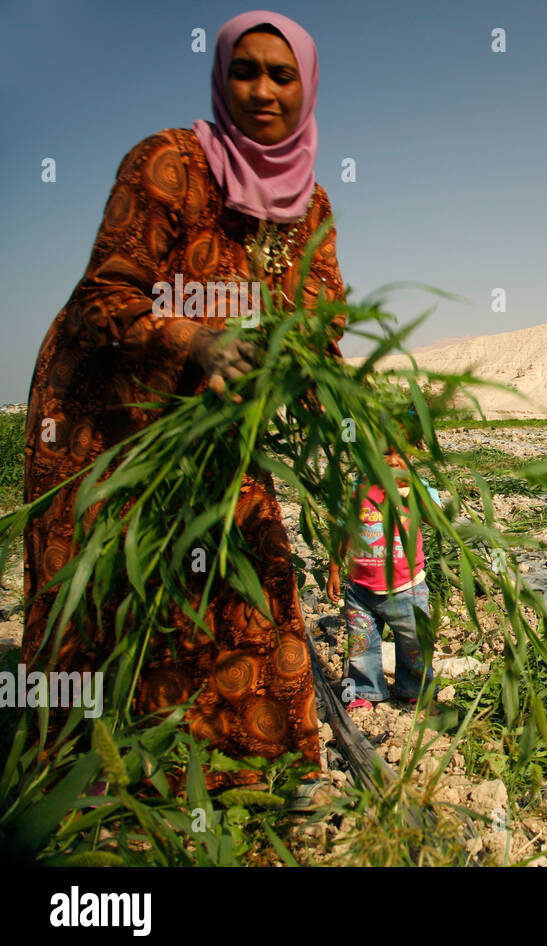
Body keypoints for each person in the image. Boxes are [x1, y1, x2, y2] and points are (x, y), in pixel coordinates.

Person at [21, 11, 345, 788]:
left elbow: (321, 320)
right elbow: (107, 295)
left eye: (280, 74)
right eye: (245, 70)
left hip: (215, 424)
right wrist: (195, 341)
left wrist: (331, 391)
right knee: (102, 590)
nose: (262, 89)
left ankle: (237, 775)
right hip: (104, 415)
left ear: (307, 87)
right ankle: (80, 784)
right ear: (219, 77)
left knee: (246, 573)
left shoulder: (312, 208)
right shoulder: (168, 161)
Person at [326, 441, 446, 710]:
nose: (393, 461)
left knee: (413, 642)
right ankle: (365, 690)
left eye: (400, 454)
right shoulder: (358, 490)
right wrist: (334, 568)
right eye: (384, 453)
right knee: (361, 646)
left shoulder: (418, 489)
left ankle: (414, 688)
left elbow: (438, 521)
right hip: (361, 590)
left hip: (407, 588)